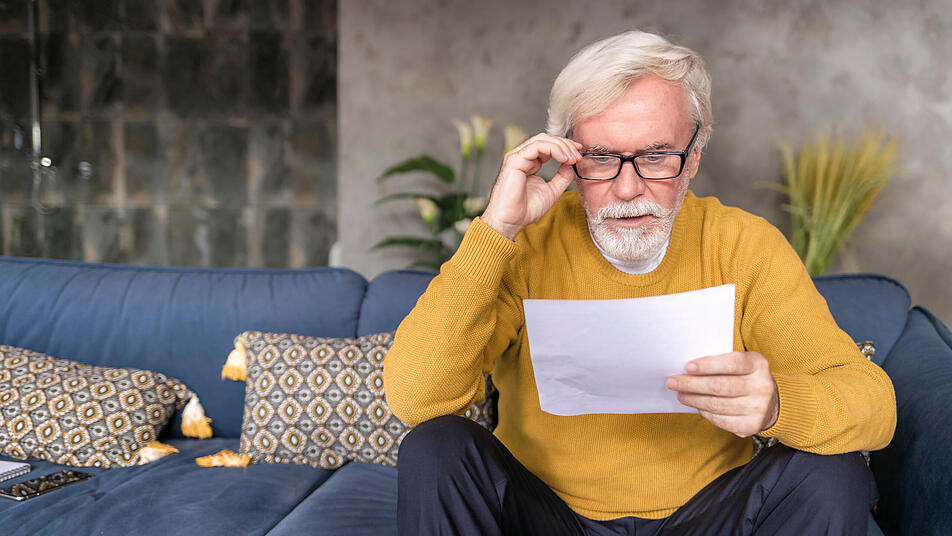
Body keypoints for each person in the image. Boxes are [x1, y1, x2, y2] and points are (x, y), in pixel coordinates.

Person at [383, 30, 896, 535]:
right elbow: (416, 400)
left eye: (655, 157)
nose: (627, 189)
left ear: (693, 157)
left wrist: (778, 405)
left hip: (707, 517)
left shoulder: (745, 246)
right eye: (601, 158)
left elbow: (874, 407)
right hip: (543, 515)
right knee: (435, 447)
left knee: (834, 472)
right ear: (567, 156)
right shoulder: (526, 244)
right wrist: (496, 230)